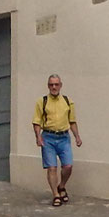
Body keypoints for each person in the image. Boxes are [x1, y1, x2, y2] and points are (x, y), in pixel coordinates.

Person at [32, 73, 81, 206]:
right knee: (52, 168)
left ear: (60, 85)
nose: (54, 87)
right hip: (48, 137)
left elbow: (72, 121)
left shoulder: (67, 101)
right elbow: (36, 121)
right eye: (51, 84)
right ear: (48, 86)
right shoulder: (42, 102)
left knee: (68, 166)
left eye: (56, 84)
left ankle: (62, 186)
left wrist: (77, 136)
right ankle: (55, 194)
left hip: (64, 137)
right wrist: (38, 137)